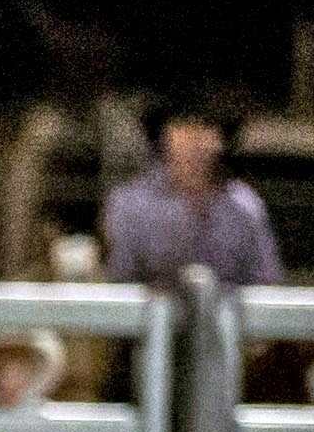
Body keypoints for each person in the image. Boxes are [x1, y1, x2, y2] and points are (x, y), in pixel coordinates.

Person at [102, 95, 284, 289]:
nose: (195, 139)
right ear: (164, 134)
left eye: (206, 127)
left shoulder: (246, 205)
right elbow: (120, 283)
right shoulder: (129, 204)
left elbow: (267, 284)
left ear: (221, 139)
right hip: (154, 314)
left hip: (226, 315)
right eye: (184, 126)